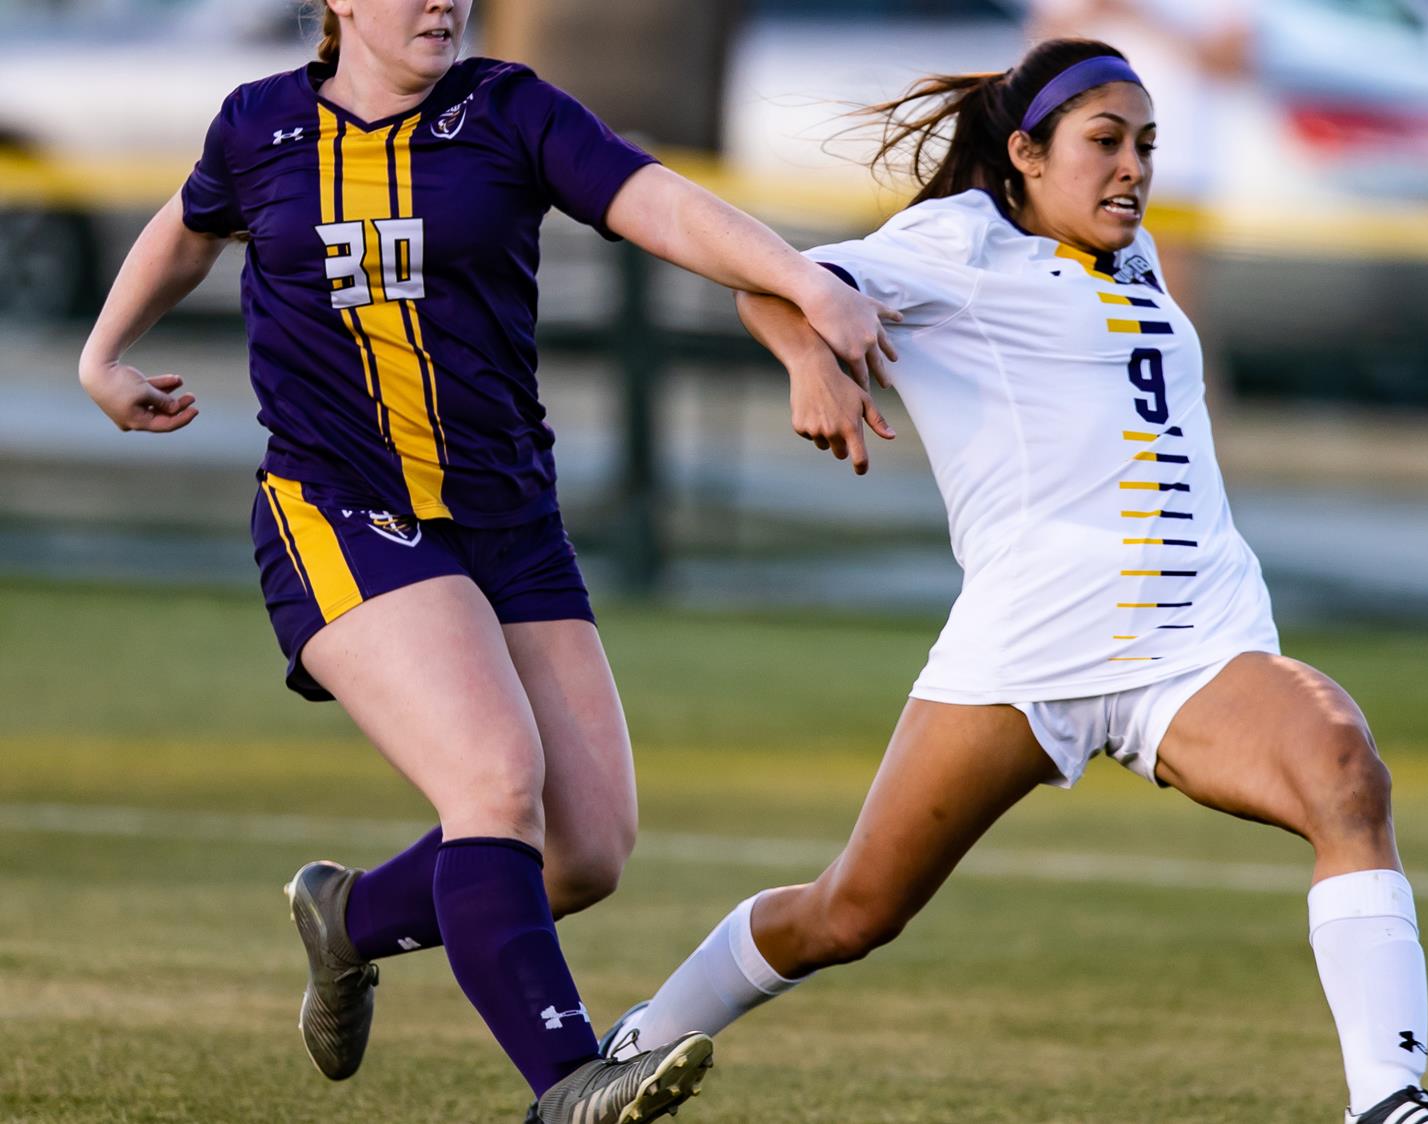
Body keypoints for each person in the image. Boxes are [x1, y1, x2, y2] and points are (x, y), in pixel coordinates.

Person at [73, 0, 895, 1120]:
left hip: (506, 514)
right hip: (340, 505)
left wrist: (803, 286)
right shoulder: (259, 126)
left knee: (587, 848)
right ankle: (565, 1084)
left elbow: (656, 202)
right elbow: (189, 221)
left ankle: (350, 918)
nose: (441, 2)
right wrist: (103, 352)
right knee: (495, 780)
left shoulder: (503, 108)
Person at [604, 39, 1428, 1124]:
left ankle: (1387, 1103)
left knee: (1345, 770)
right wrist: (810, 358)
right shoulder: (955, 243)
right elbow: (773, 284)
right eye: (1103, 143)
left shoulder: (1134, 258)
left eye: (1144, 145)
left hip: (1193, 642)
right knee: (852, 910)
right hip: (1027, 644)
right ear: (1025, 153)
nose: (1130, 168)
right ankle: (635, 1044)